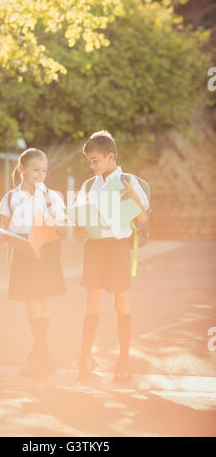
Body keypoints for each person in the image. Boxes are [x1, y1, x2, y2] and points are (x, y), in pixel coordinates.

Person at [75, 130, 149, 382]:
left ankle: (124, 360)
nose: (92, 165)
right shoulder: (89, 185)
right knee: (92, 304)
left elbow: (142, 219)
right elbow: (79, 222)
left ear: (110, 156)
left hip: (118, 248)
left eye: (95, 160)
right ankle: (84, 359)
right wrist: (80, 225)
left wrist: (136, 200)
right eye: (89, 161)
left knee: (121, 303)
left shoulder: (128, 181)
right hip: (94, 247)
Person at [0, 148, 67, 379]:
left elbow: (63, 227)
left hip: (45, 252)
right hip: (23, 253)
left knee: (42, 301)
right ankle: (44, 356)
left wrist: (54, 222)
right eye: (36, 170)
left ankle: (38, 357)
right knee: (31, 302)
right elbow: (3, 228)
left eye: (44, 170)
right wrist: (5, 235)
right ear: (22, 169)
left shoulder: (51, 197)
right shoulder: (10, 198)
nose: (40, 175)